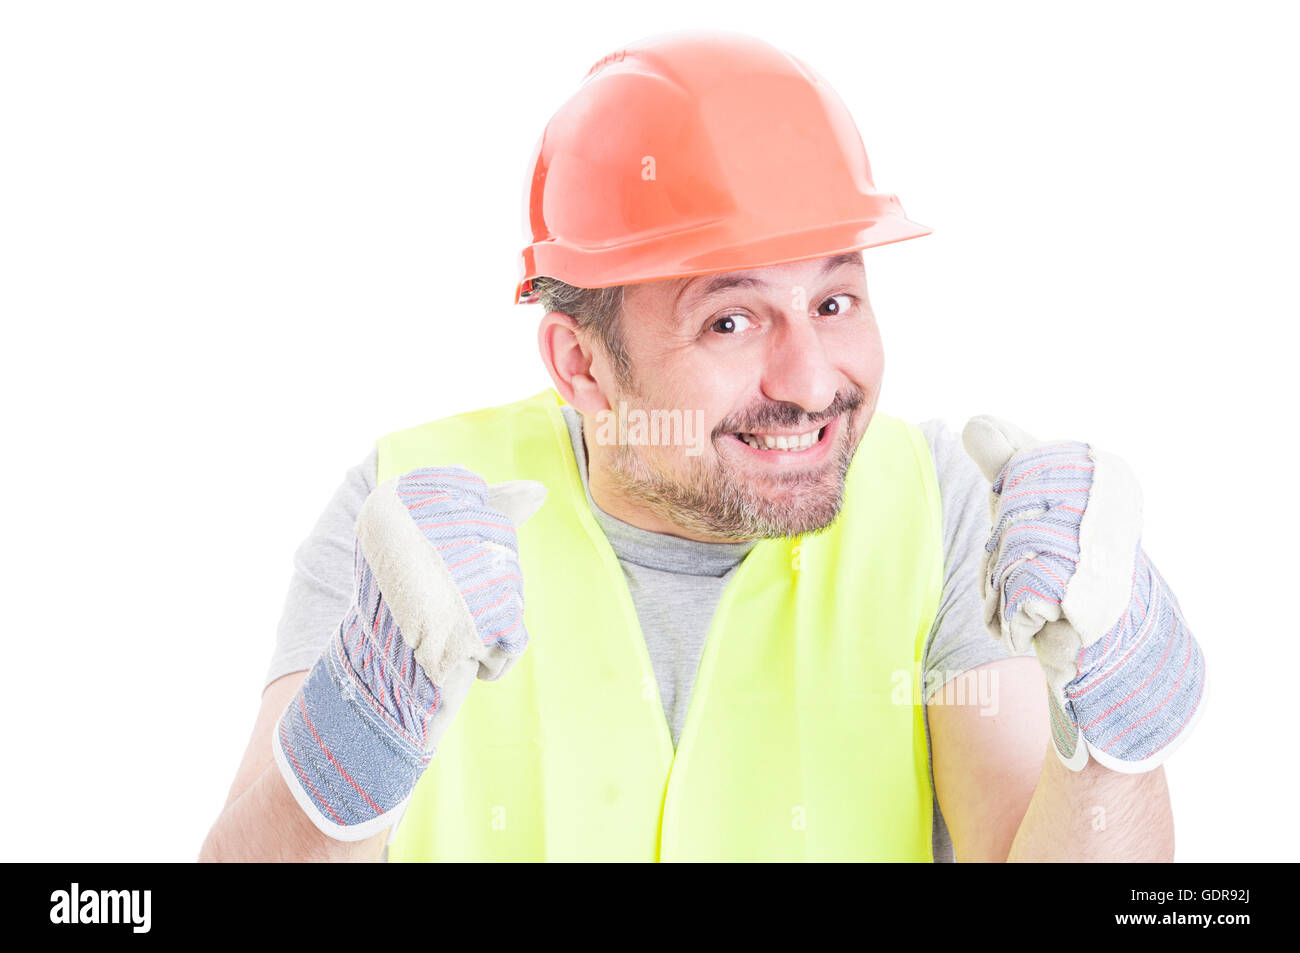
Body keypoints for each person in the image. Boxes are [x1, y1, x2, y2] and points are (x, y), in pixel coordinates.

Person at [200, 30, 1206, 863]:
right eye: (731, 320)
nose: (811, 380)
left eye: (833, 299)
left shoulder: (939, 505)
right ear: (582, 364)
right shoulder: (408, 508)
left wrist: (1113, 728)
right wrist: (364, 722)